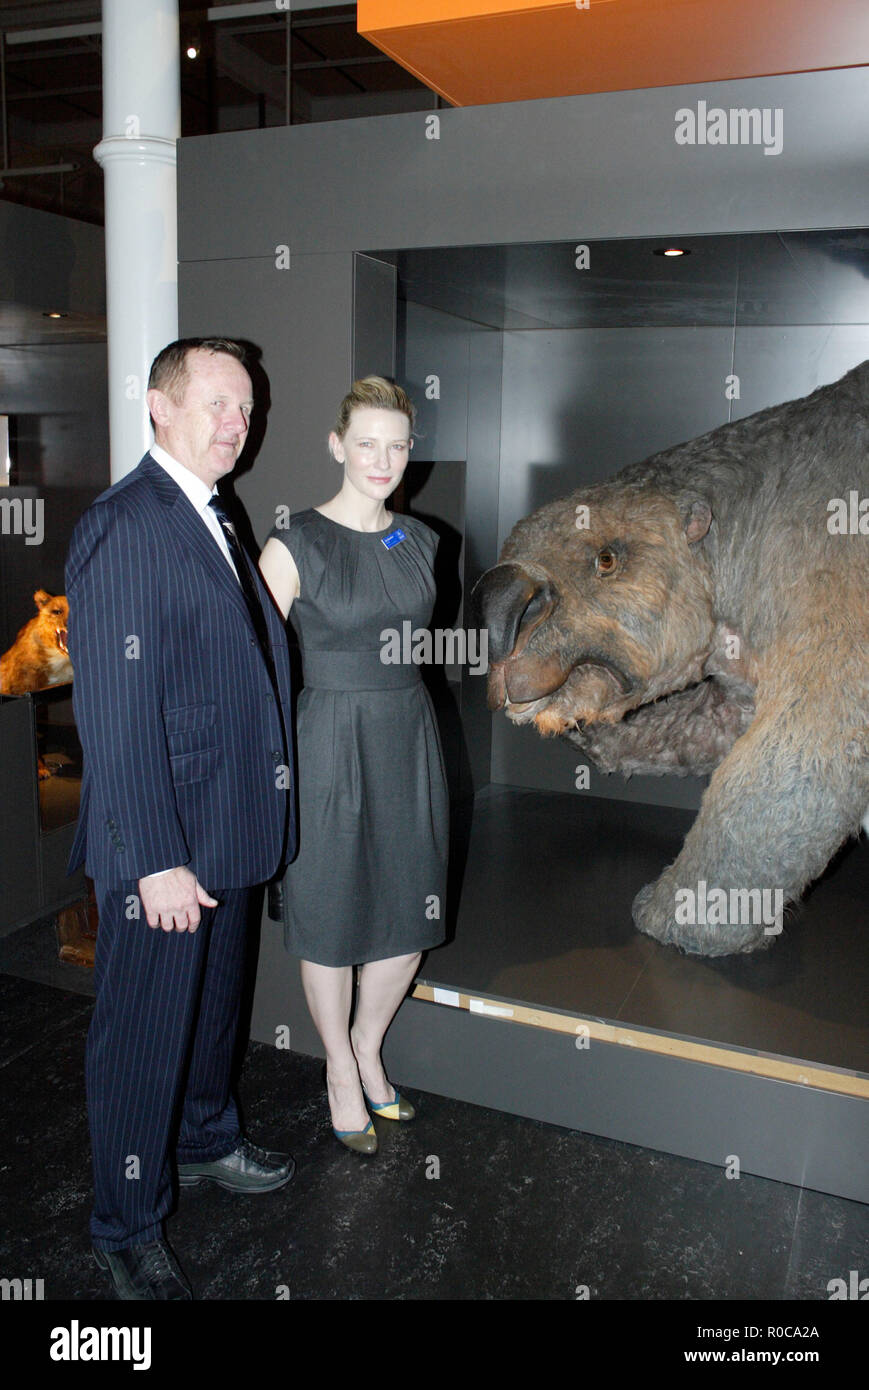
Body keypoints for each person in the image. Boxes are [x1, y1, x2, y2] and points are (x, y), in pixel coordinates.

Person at [66, 338, 296, 1300]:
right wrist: (153, 860)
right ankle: (124, 1223)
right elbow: (114, 720)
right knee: (144, 1034)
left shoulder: (215, 512)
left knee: (211, 1013)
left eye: (244, 406)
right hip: (164, 845)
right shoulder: (125, 526)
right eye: (215, 402)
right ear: (159, 407)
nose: (235, 421)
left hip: (231, 823)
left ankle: (203, 1140)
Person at [259, 377, 448, 1154]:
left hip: (405, 732)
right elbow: (257, 667)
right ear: (336, 446)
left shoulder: (423, 539)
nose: (382, 459)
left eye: (397, 445)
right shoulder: (292, 543)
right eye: (366, 443)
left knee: (411, 910)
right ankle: (339, 1067)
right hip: (326, 737)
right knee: (331, 915)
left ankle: (369, 1045)